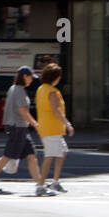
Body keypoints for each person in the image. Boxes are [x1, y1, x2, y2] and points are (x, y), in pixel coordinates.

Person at [0, 66, 53, 197]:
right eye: (31, 77)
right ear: (25, 76)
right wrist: (36, 124)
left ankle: (40, 186)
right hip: (17, 127)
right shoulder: (19, 91)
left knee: (31, 155)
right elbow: (23, 111)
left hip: (19, 127)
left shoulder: (13, 89)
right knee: (8, 155)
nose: (32, 80)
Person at [35, 62, 73, 193]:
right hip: (52, 129)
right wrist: (68, 124)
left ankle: (55, 181)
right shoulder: (52, 91)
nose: (60, 79)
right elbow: (56, 110)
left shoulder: (41, 89)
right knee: (49, 156)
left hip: (48, 128)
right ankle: (40, 185)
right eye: (59, 76)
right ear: (55, 77)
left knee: (63, 151)